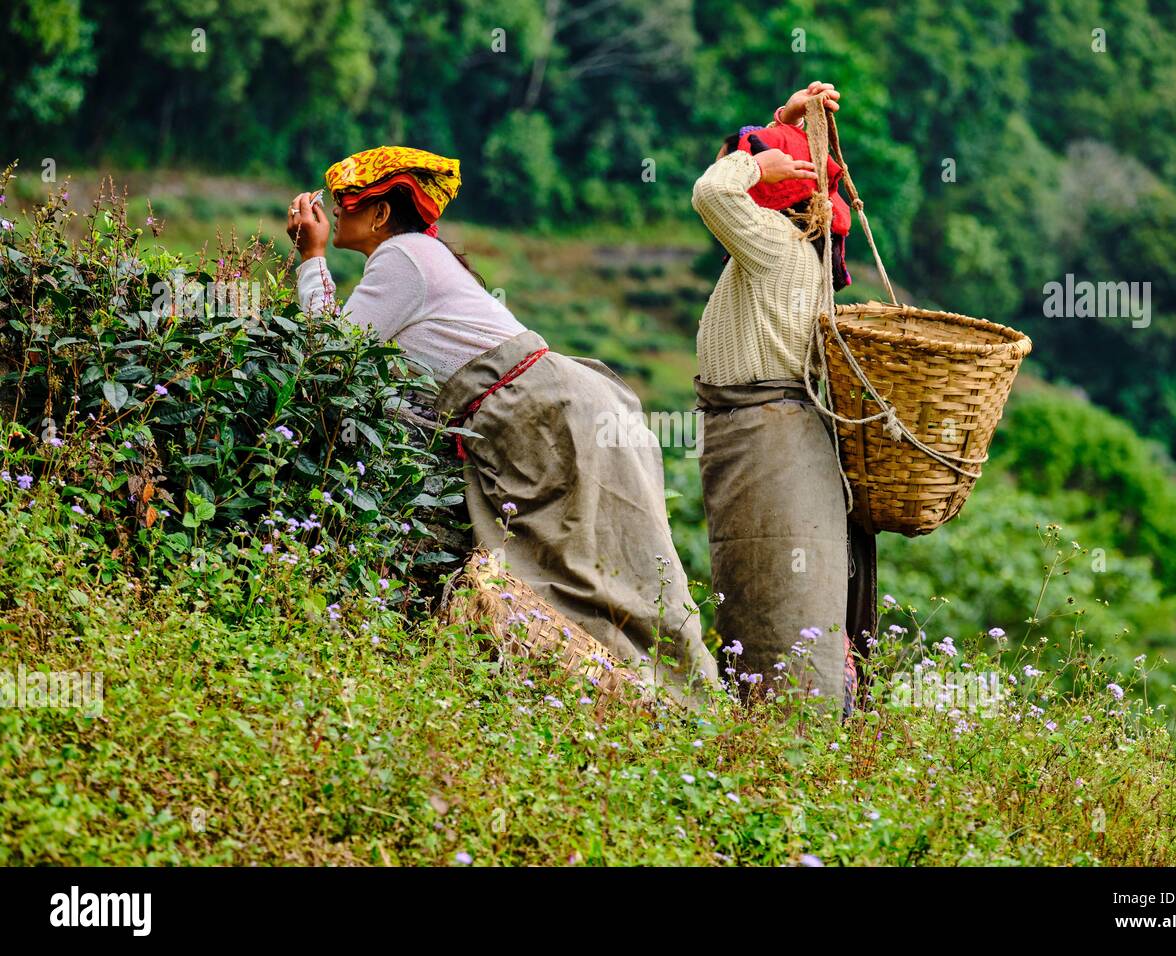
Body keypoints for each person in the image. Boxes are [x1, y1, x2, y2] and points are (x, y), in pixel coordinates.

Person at [286, 145, 718, 702]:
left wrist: (311, 257)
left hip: (546, 417)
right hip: (561, 407)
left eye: (345, 203)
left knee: (587, 569)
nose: (335, 212)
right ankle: (676, 697)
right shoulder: (416, 256)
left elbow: (327, 356)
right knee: (620, 564)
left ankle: (672, 699)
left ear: (381, 214)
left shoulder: (402, 259)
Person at [691, 84, 876, 713]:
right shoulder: (802, 254)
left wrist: (755, 163)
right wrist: (782, 127)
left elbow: (711, 191)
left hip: (764, 438)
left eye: (748, 167)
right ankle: (797, 735)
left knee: (770, 599)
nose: (734, 172)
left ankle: (784, 740)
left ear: (771, 197)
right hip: (772, 435)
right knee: (765, 593)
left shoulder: (772, 245)